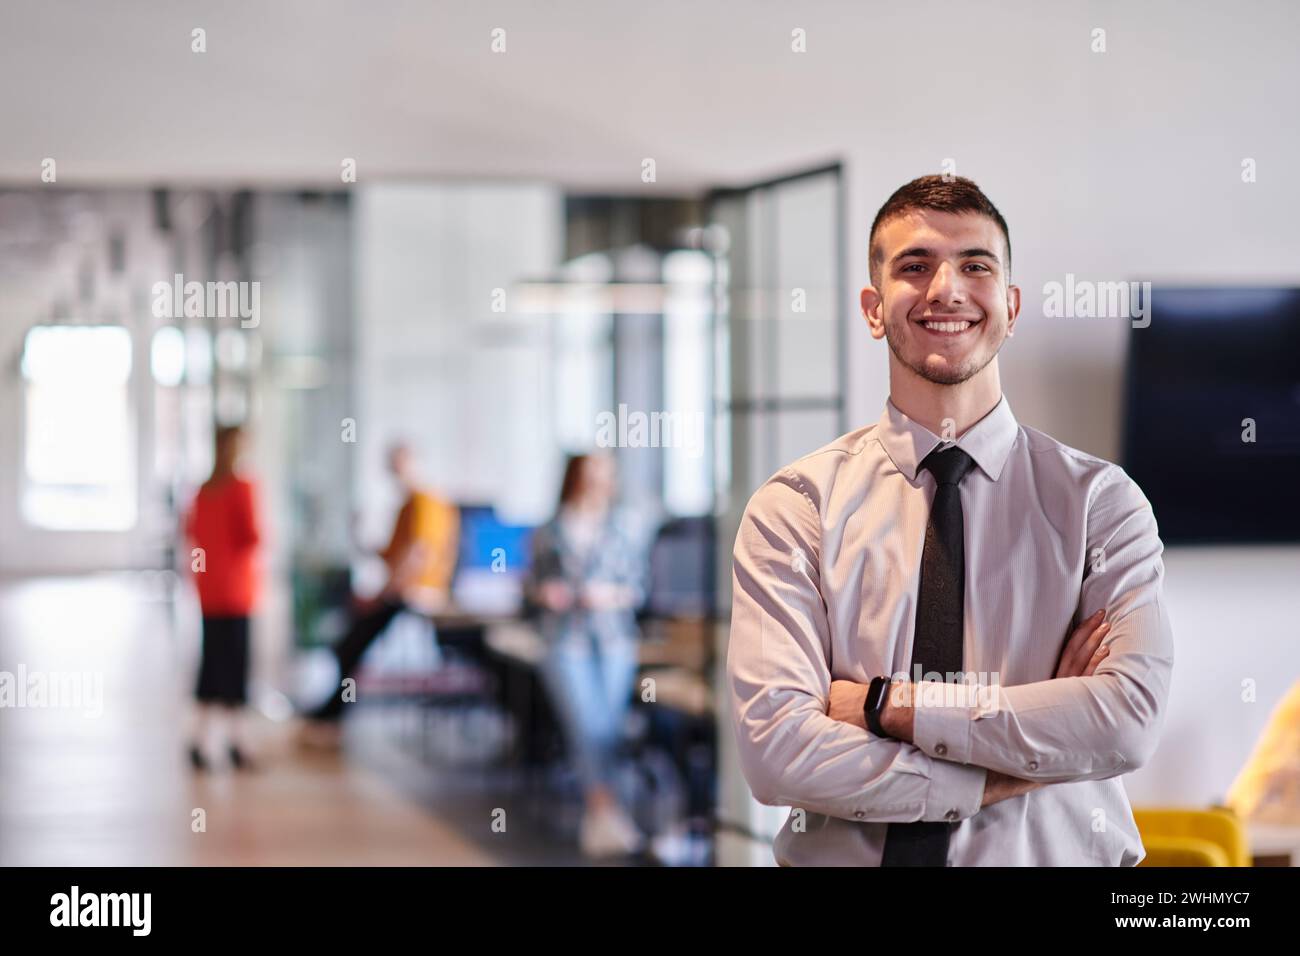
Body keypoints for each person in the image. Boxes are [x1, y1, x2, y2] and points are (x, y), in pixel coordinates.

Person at [727, 175, 1175, 866]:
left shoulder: (1100, 506)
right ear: (874, 310)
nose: (947, 288)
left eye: (976, 265)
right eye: (914, 266)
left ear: (1011, 305)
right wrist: (1030, 749)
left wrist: (883, 707)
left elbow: (1126, 724)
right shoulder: (796, 508)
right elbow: (778, 755)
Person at [526, 453, 649, 859]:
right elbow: (532, 585)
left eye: (605, 474)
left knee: (608, 730)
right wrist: (548, 593)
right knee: (584, 724)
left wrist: (605, 595)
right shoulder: (550, 529)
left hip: (613, 638)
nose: (598, 481)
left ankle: (601, 817)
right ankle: (605, 813)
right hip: (565, 639)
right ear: (576, 476)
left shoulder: (624, 526)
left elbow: (639, 587)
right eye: (591, 472)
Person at [300, 442, 460, 740]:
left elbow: (417, 557)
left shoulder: (427, 502)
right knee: (349, 637)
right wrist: (360, 537)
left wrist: (380, 594)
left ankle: (334, 713)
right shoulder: (406, 506)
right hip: (400, 590)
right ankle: (332, 708)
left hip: (419, 592)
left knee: (356, 638)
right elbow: (391, 556)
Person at [184, 424, 263, 771]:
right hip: (236, 592)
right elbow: (252, 536)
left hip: (209, 589)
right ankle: (237, 742)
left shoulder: (203, 491)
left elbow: (191, 533)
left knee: (212, 663)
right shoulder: (242, 488)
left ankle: (203, 739)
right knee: (235, 665)